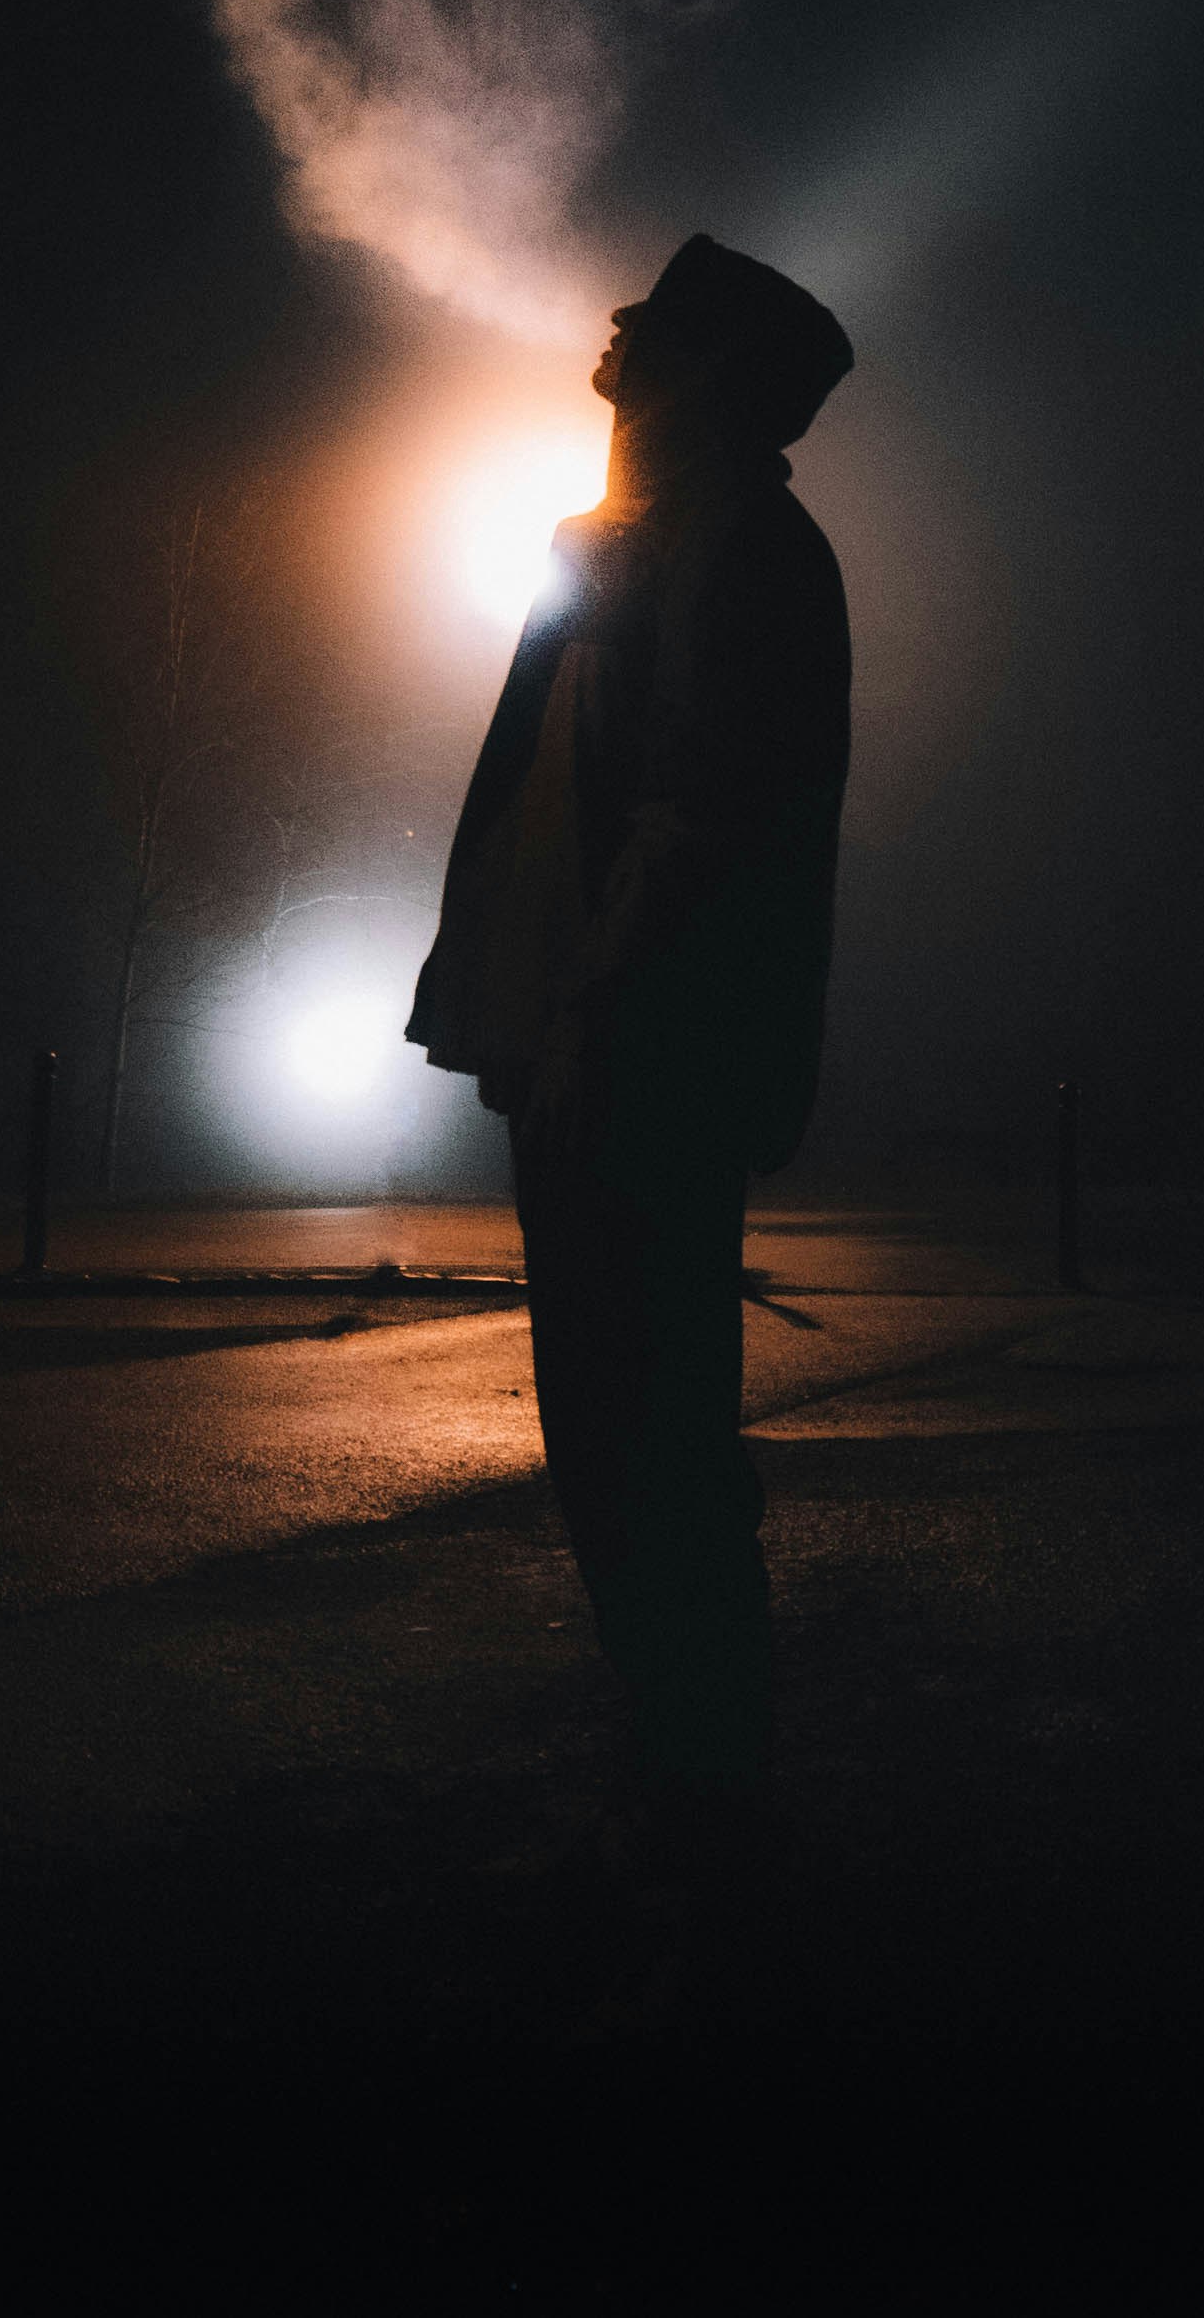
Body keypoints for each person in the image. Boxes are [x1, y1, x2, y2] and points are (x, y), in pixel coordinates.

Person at [406, 235, 854, 1880]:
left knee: (647, 1428)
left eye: (648, 330)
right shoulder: (627, 543)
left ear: (702, 376)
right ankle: (687, 1771)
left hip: (639, 1047)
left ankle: (708, 1792)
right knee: (610, 1425)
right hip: (581, 1038)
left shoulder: (746, 553)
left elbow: (697, 817)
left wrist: (592, 1011)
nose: (612, 340)